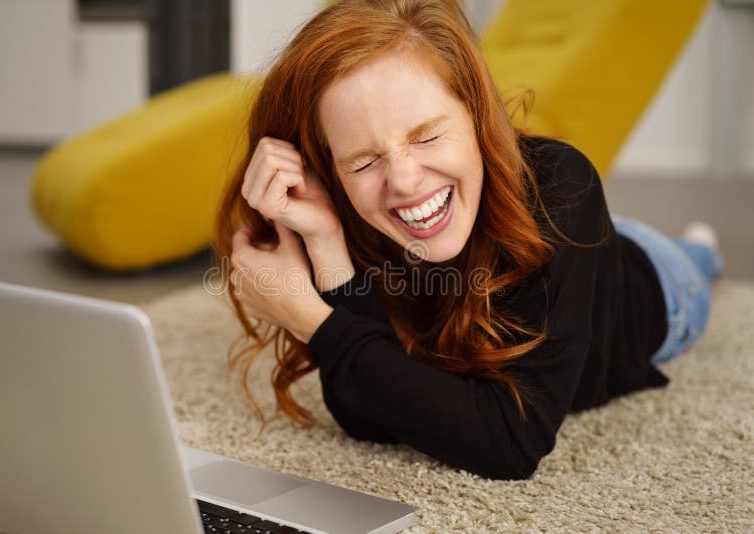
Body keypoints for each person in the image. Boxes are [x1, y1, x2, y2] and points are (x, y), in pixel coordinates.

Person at [213, 0, 724, 480]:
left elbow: (511, 443)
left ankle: (700, 248)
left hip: (661, 287)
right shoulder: (350, 207)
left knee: (693, 259)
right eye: (365, 161)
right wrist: (325, 244)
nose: (405, 181)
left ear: (478, 116)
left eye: (427, 136)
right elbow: (368, 419)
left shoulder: (565, 185)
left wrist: (307, 316)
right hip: (557, 231)